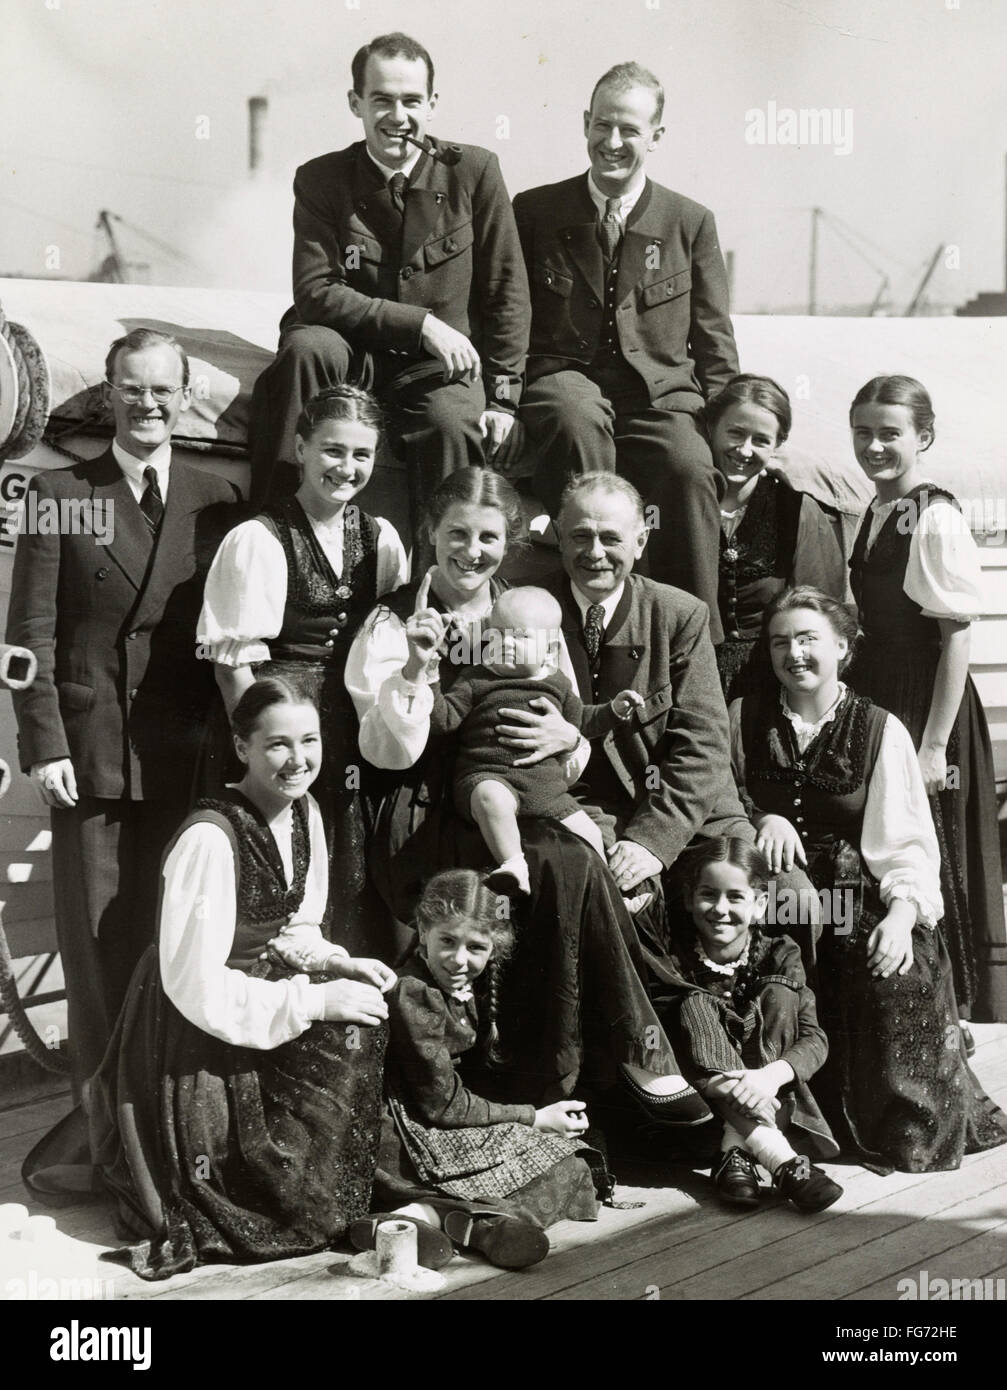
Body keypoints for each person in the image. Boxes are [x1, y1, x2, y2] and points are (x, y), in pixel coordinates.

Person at [345, 465, 709, 1125]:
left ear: (508, 542)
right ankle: (631, 1053)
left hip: (516, 800)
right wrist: (415, 671)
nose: (471, 552)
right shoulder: (395, 619)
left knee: (579, 856)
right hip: (422, 808)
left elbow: (571, 744)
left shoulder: (525, 611)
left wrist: (568, 736)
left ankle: (574, 1085)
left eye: (488, 537)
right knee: (566, 863)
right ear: (430, 533)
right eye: (457, 534)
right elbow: (386, 753)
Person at [6, 328, 240, 1121]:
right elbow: (26, 639)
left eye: (161, 389)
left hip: (183, 760)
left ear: (186, 396)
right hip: (90, 756)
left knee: (174, 937)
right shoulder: (64, 496)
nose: (147, 404)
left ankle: (171, 1121)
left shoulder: (217, 501)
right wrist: (43, 745)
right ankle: (104, 1129)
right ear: (109, 393)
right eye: (131, 388)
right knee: (99, 949)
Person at [88, 678, 392, 1281]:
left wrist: (337, 963)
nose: (298, 760)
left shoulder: (305, 812)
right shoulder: (209, 837)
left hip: (269, 991)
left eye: (310, 740)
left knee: (367, 1028)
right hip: (195, 1022)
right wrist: (314, 1001)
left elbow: (293, 928)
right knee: (240, 1164)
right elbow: (194, 983)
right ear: (241, 746)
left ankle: (345, 1192)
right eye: (277, 744)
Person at [730, 587, 1007, 1171]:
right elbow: (720, 796)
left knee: (892, 973)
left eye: (808, 640)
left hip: (859, 884)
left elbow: (906, 842)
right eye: (781, 642)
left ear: (843, 647)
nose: (794, 654)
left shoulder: (880, 730)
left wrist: (904, 915)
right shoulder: (743, 717)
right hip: (765, 886)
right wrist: (763, 817)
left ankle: (892, 1124)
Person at [247, 30, 530, 543]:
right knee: (306, 347)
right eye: (381, 100)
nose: (397, 116)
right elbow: (316, 291)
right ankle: (276, 543)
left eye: (411, 101)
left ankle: (438, 595)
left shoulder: (474, 172)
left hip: (437, 370)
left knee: (452, 422)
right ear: (356, 103)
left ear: (433, 104)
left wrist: (504, 399)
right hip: (351, 353)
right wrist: (420, 324)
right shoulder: (322, 179)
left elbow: (506, 289)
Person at [543, 472, 822, 973]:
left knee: (792, 898)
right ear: (560, 537)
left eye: (611, 538)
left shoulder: (678, 614)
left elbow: (702, 747)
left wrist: (651, 841)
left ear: (640, 539)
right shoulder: (532, 614)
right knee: (606, 901)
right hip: (586, 813)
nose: (595, 552)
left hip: (692, 815)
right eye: (580, 536)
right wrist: (611, 839)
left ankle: (787, 1033)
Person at [514, 62, 738, 636]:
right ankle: (583, 622)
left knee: (688, 468)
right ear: (586, 123)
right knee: (575, 416)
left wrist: (730, 428)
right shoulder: (535, 211)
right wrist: (500, 396)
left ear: (655, 137)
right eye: (602, 126)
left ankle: (696, 644)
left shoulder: (690, 223)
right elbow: (506, 315)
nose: (612, 143)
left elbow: (714, 343)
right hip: (565, 380)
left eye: (630, 131)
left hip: (659, 397)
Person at [198, 384, 408, 956]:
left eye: (361, 455)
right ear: (300, 448)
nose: (347, 468)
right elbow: (232, 669)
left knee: (353, 880)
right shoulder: (257, 540)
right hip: (279, 735)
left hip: (353, 738)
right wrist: (267, 759)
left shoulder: (381, 539)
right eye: (333, 451)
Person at [334, 869, 600, 1271]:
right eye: (447, 941)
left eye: (475, 946)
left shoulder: (459, 988)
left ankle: (434, 1219)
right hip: (405, 1141)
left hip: (431, 1125)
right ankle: (442, 1218)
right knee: (565, 1160)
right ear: (423, 929)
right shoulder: (414, 992)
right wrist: (535, 1119)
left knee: (573, 1165)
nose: (459, 959)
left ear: (496, 946)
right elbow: (444, 1108)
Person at [845, 375, 1007, 1030]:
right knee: (894, 836)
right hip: (882, 691)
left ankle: (949, 1007)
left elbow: (956, 634)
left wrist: (934, 743)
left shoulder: (932, 513)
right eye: (863, 432)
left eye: (890, 433)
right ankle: (910, 995)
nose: (874, 445)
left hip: (926, 696)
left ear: (922, 437)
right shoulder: (876, 509)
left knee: (930, 838)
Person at [426, 584, 644, 898]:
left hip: (546, 788)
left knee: (591, 835)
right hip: (489, 775)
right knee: (491, 800)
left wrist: (614, 710)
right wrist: (431, 679)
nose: (506, 643)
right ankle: (513, 868)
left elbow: (582, 720)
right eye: (498, 633)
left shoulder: (557, 682)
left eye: (521, 636)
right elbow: (444, 718)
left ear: (550, 648)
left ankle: (615, 900)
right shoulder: (475, 678)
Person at [662, 838, 842, 1213]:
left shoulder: (780, 953)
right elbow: (677, 1049)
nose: (720, 909)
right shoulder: (675, 957)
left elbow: (814, 1038)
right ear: (689, 898)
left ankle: (736, 1152)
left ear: (760, 904)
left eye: (735, 897)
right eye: (708, 895)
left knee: (781, 994)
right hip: (701, 1105)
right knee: (694, 1003)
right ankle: (782, 1160)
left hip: (775, 1096)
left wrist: (767, 1079)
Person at [708, 374, 851, 701]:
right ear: (712, 428)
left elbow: (821, 616)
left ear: (777, 444)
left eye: (760, 440)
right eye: (735, 433)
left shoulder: (796, 511)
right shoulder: (685, 505)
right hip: (694, 679)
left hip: (773, 686)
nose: (744, 450)